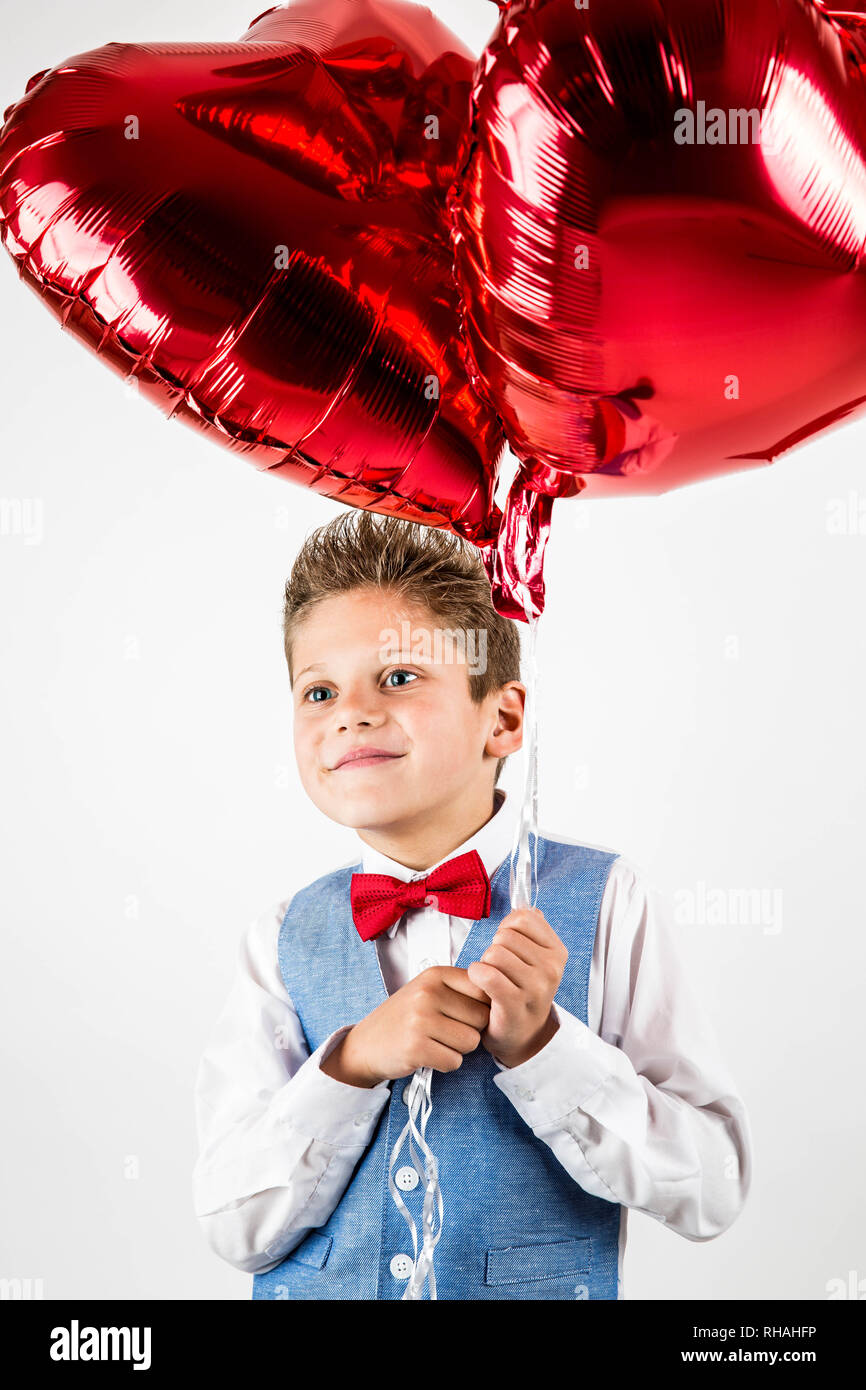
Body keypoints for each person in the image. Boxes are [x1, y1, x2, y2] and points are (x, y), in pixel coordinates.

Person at [192, 509, 752, 1300]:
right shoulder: (282, 937)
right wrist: (349, 1066)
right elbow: (229, 1220)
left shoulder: (606, 901)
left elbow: (713, 1187)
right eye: (319, 690)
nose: (351, 712)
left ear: (504, 717)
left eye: (398, 677)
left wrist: (548, 1048)